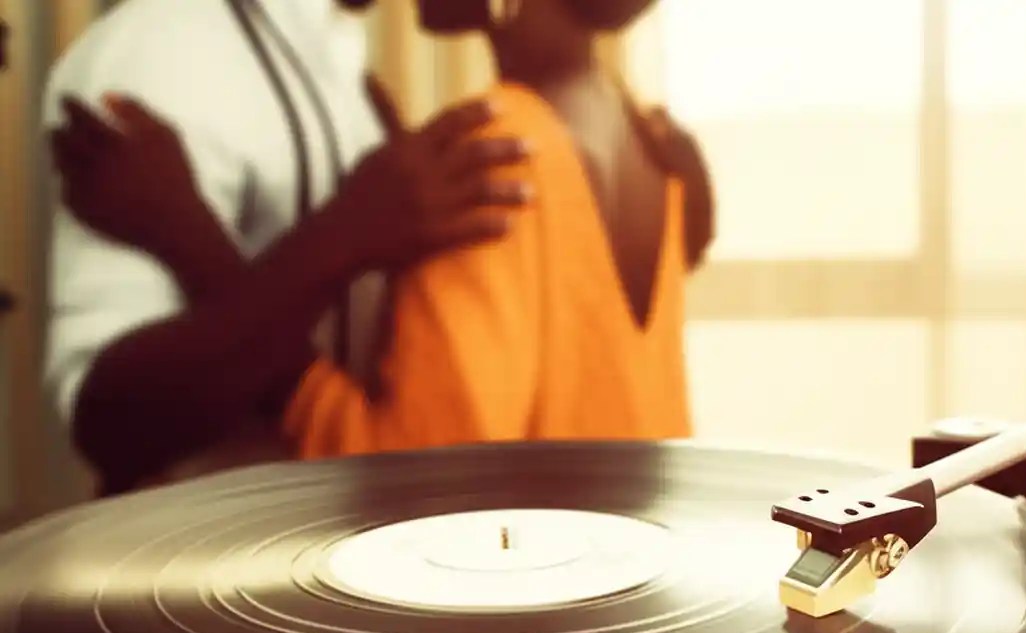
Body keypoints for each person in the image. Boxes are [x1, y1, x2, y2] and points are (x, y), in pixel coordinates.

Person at [53, 0, 715, 460]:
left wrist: (191, 236)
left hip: (536, 621)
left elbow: (406, 474)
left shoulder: (494, 154)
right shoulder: (650, 141)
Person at [43, 0, 533, 495]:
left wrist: (339, 235)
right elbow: (113, 426)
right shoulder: (160, 52)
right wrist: (345, 235)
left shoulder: (348, 73)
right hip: (198, 559)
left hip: (333, 547)